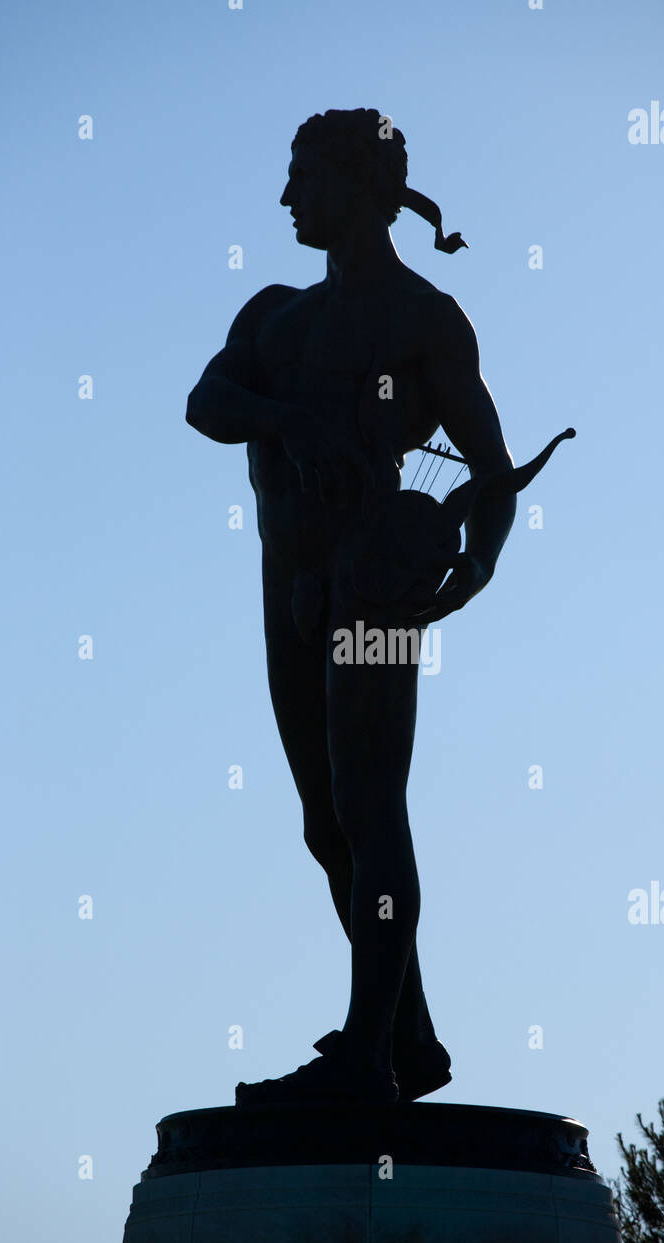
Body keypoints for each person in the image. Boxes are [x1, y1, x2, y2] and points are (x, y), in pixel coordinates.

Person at [186, 108, 517, 1104]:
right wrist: (293, 421)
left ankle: (368, 1052)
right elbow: (205, 401)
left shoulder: (422, 318)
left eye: (305, 178)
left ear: (360, 188)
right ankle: (404, 1040)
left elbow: (492, 469)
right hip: (283, 588)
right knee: (324, 822)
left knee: (369, 805)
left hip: (368, 592)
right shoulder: (273, 315)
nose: (288, 198)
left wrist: (474, 568)